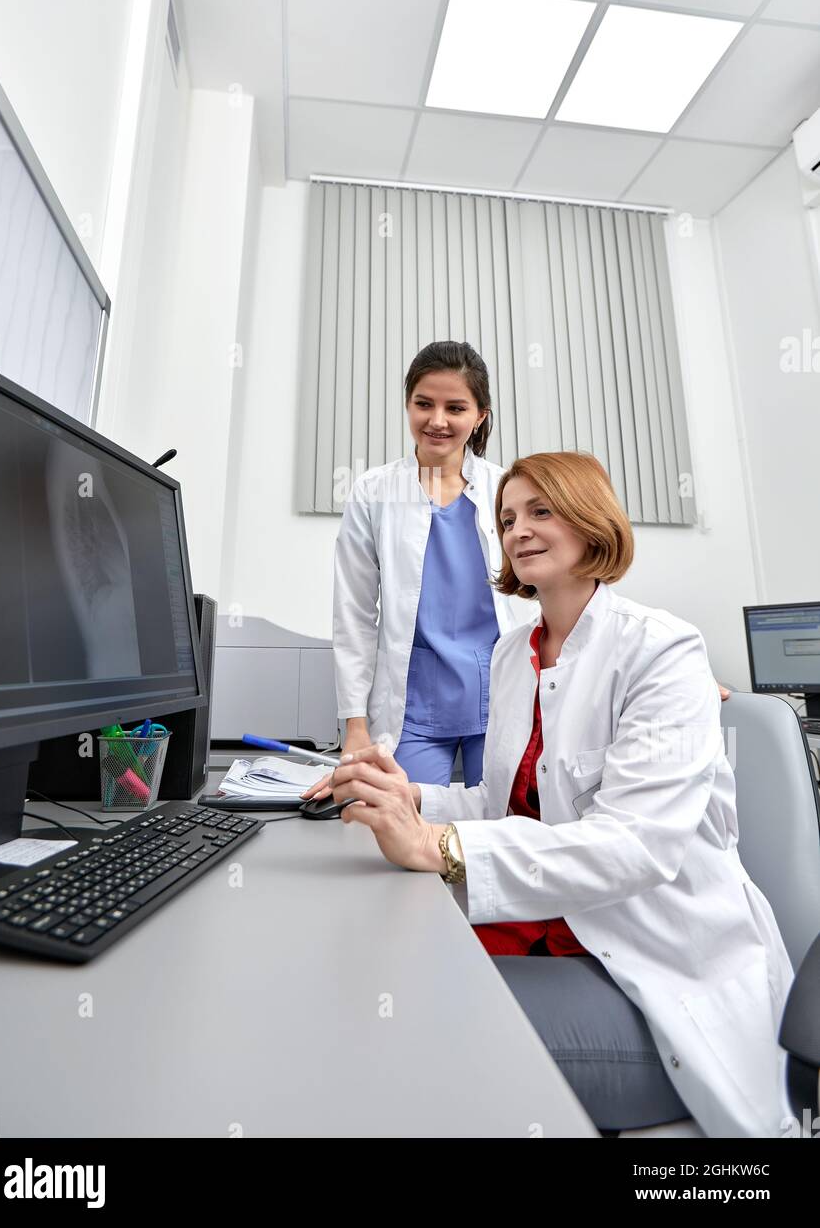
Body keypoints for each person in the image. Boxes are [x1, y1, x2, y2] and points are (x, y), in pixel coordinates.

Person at [308, 451, 793, 1138]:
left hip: (647, 969)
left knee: (402, 1028)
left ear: (591, 519)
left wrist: (440, 845)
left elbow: (636, 846)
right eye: (507, 518)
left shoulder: (663, 651)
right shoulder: (514, 655)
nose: (518, 530)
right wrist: (406, 797)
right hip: (545, 924)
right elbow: (500, 804)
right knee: (362, 966)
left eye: (541, 510)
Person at [331, 340, 532, 787]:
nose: (437, 421)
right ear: (408, 404)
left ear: (480, 415)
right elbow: (354, 614)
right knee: (404, 831)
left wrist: (644, 665)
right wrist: (355, 725)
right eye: (424, 404)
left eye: (455, 408)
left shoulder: (508, 487)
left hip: (499, 694)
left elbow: (564, 583)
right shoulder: (374, 491)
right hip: (414, 704)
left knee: (501, 832)